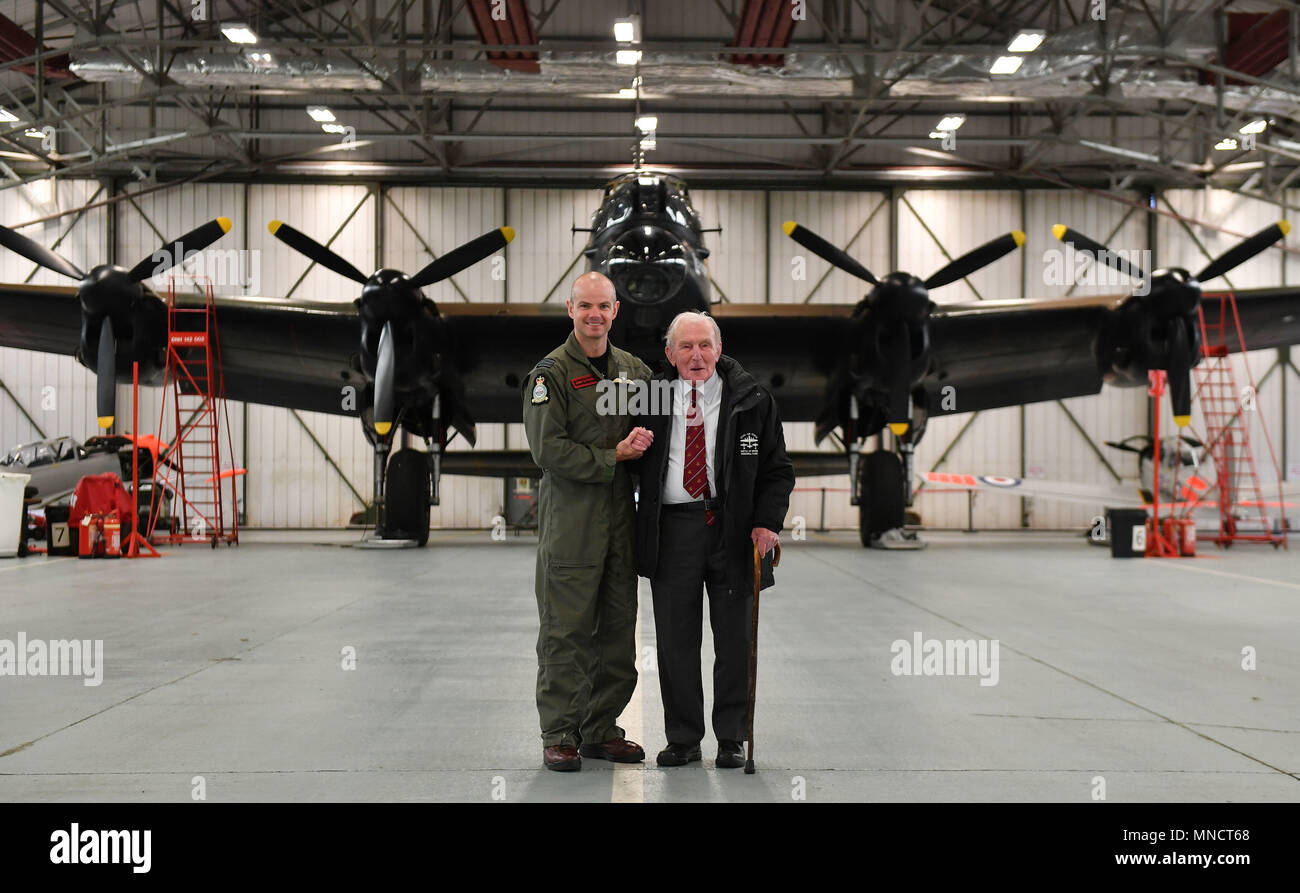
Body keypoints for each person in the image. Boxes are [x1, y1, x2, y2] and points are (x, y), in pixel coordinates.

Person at [634, 311, 794, 768]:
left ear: (719, 350)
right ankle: (683, 738)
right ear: (669, 354)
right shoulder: (648, 396)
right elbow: (627, 459)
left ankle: (731, 737)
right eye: (685, 346)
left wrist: (768, 521)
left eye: (704, 345)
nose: (696, 355)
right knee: (675, 640)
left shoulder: (753, 398)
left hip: (733, 529)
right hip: (672, 529)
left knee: (734, 639)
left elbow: (777, 469)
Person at [522, 271, 654, 772]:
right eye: (585, 307)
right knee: (566, 631)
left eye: (603, 307)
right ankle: (560, 732)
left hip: (621, 522)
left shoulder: (634, 372)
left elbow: (659, 427)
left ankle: (600, 729)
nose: (595, 315)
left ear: (615, 311)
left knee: (619, 631)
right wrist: (612, 456)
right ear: (570, 311)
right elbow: (546, 450)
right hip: (572, 522)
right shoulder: (550, 374)